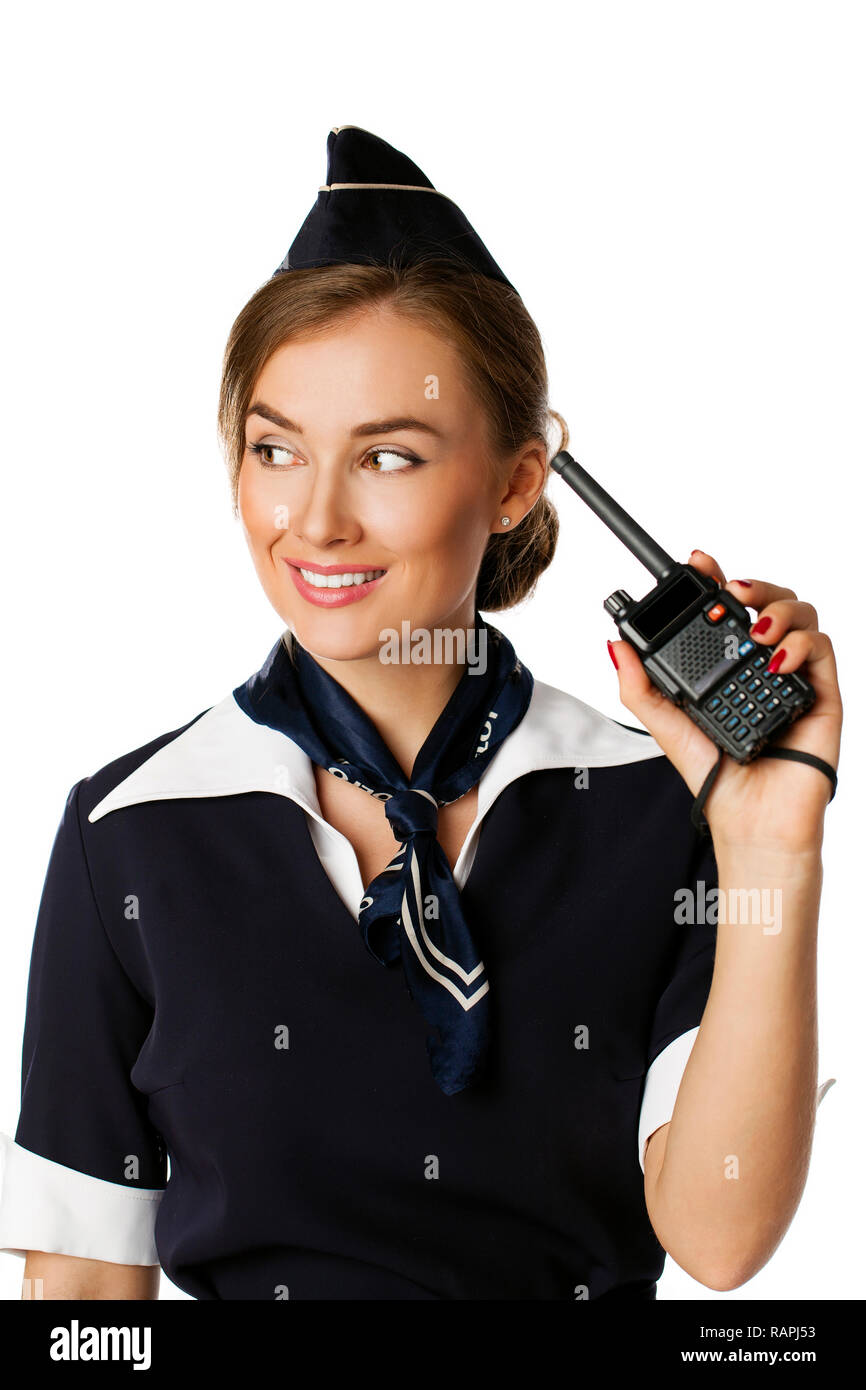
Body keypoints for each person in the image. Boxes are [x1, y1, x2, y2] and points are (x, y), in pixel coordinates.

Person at [0, 127, 841, 1301]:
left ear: (512, 483)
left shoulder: (664, 813)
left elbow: (719, 1235)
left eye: (387, 457)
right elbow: (82, 1300)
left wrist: (769, 843)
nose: (315, 519)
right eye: (274, 448)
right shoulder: (128, 830)